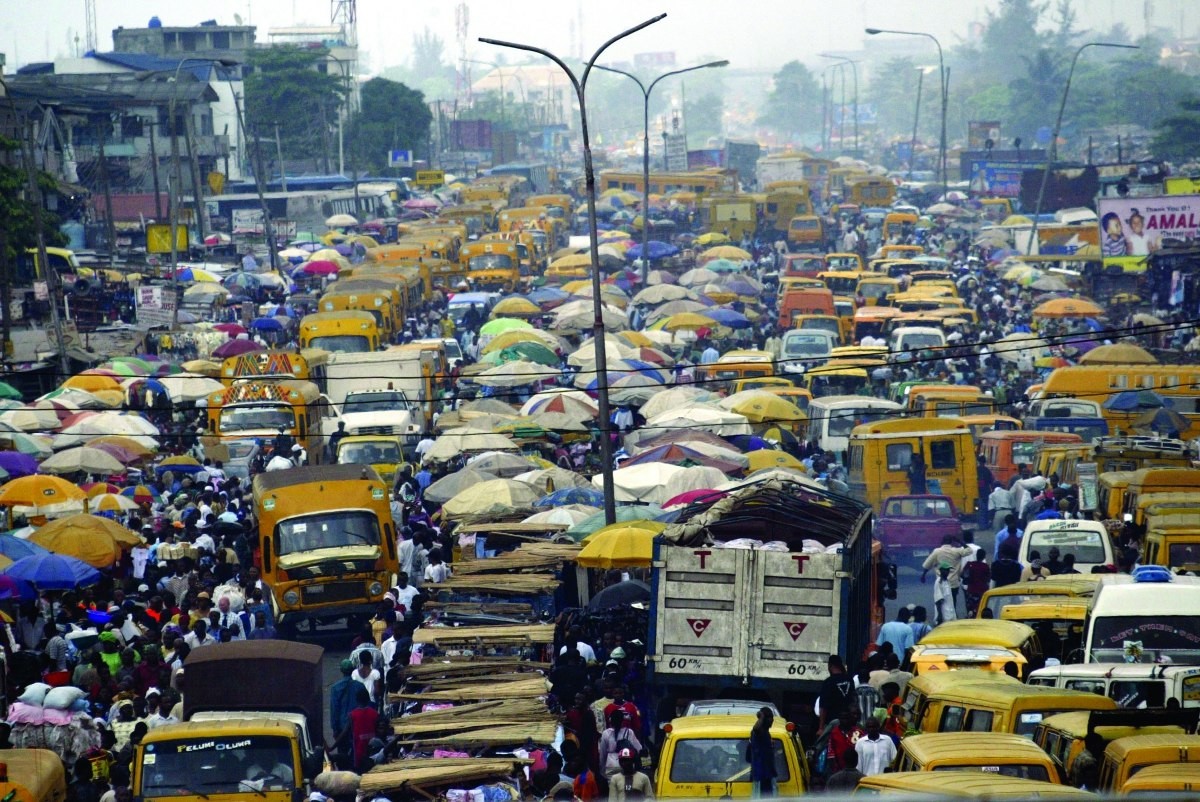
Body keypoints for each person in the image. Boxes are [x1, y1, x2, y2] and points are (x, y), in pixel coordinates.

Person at [600, 710, 642, 780]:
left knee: (612, 788)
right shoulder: (629, 732)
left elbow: (602, 755)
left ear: (611, 720)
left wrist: (602, 771)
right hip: (626, 766)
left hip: (610, 766)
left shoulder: (605, 733)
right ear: (622, 720)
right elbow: (639, 749)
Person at [817, 655, 854, 732]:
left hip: (832, 723)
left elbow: (823, 707)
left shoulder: (828, 682)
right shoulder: (850, 680)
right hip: (848, 722)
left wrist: (821, 728)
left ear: (830, 665)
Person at [747, 707, 777, 797]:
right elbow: (756, 728)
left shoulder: (766, 733)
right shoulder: (758, 732)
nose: (772, 720)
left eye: (772, 718)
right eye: (769, 718)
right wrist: (761, 717)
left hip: (768, 774)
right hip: (761, 774)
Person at [962, 548, 991, 618]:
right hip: (982, 591)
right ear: (984, 557)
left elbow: (963, 575)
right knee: (981, 608)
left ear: (976, 555)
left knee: (970, 609)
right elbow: (989, 578)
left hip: (971, 590)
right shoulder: (985, 566)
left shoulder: (969, 565)